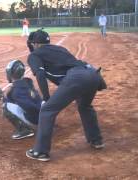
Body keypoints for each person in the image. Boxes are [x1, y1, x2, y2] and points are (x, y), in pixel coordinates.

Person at [25, 29, 107, 161]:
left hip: (76, 77)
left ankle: (40, 151)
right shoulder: (60, 49)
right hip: (93, 73)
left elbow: (40, 74)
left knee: (47, 110)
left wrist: (46, 97)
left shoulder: (34, 55)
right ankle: (96, 140)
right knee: (85, 106)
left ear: (35, 44)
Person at [0, 60, 42, 140]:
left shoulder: (16, 91)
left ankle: (25, 130)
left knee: (6, 106)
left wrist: (2, 98)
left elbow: (29, 106)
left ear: (10, 74)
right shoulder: (27, 83)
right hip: (43, 116)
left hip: (35, 120)